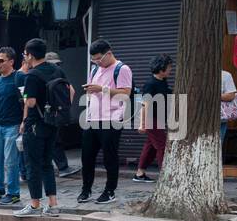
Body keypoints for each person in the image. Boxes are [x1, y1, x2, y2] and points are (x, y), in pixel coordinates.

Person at [15, 38, 66, 217]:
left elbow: (30, 101)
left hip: (35, 125)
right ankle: (53, 204)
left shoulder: (31, 75)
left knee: (32, 165)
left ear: (29, 55)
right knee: (47, 164)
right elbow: (71, 92)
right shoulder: (58, 70)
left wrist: (24, 100)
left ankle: (35, 204)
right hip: (53, 123)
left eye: (25, 55)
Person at [78, 39, 131, 205]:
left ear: (109, 53)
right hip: (92, 117)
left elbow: (125, 94)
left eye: (99, 59)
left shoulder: (122, 69)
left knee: (110, 157)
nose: (97, 62)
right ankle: (86, 189)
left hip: (112, 118)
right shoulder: (95, 69)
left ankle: (110, 191)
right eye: (94, 59)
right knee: (86, 157)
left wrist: (102, 89)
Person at [0, 47, 23, 206]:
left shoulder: (19, 78)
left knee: (11, 161)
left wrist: (24, 122)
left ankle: (13, 192)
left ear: (11, 61)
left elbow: (26, 101)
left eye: (1, 60)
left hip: (13, 125)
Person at [135, 54, 174, 182]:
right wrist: (142, 124)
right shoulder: (150, 84)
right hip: (151, 119)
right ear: (161, 68)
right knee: (163, 146)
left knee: (151, 146)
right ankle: (166, 176)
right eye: (169, 67)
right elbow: (145, 105)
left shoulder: (163, 82)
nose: (170, 70)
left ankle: (140, 174)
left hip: (160, 119)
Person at [44, 52, 77, 177]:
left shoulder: (38, 71)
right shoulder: (60, 72)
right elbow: (71, 91)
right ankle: (63, 168)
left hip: (42, 110)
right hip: (57, 111)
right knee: (54, 139)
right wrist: (66, 108)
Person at [221, 69, 237, 145]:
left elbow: (231, 95)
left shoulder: (225, 75)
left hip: (219, 118)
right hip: (193, 117)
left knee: (217, 145)